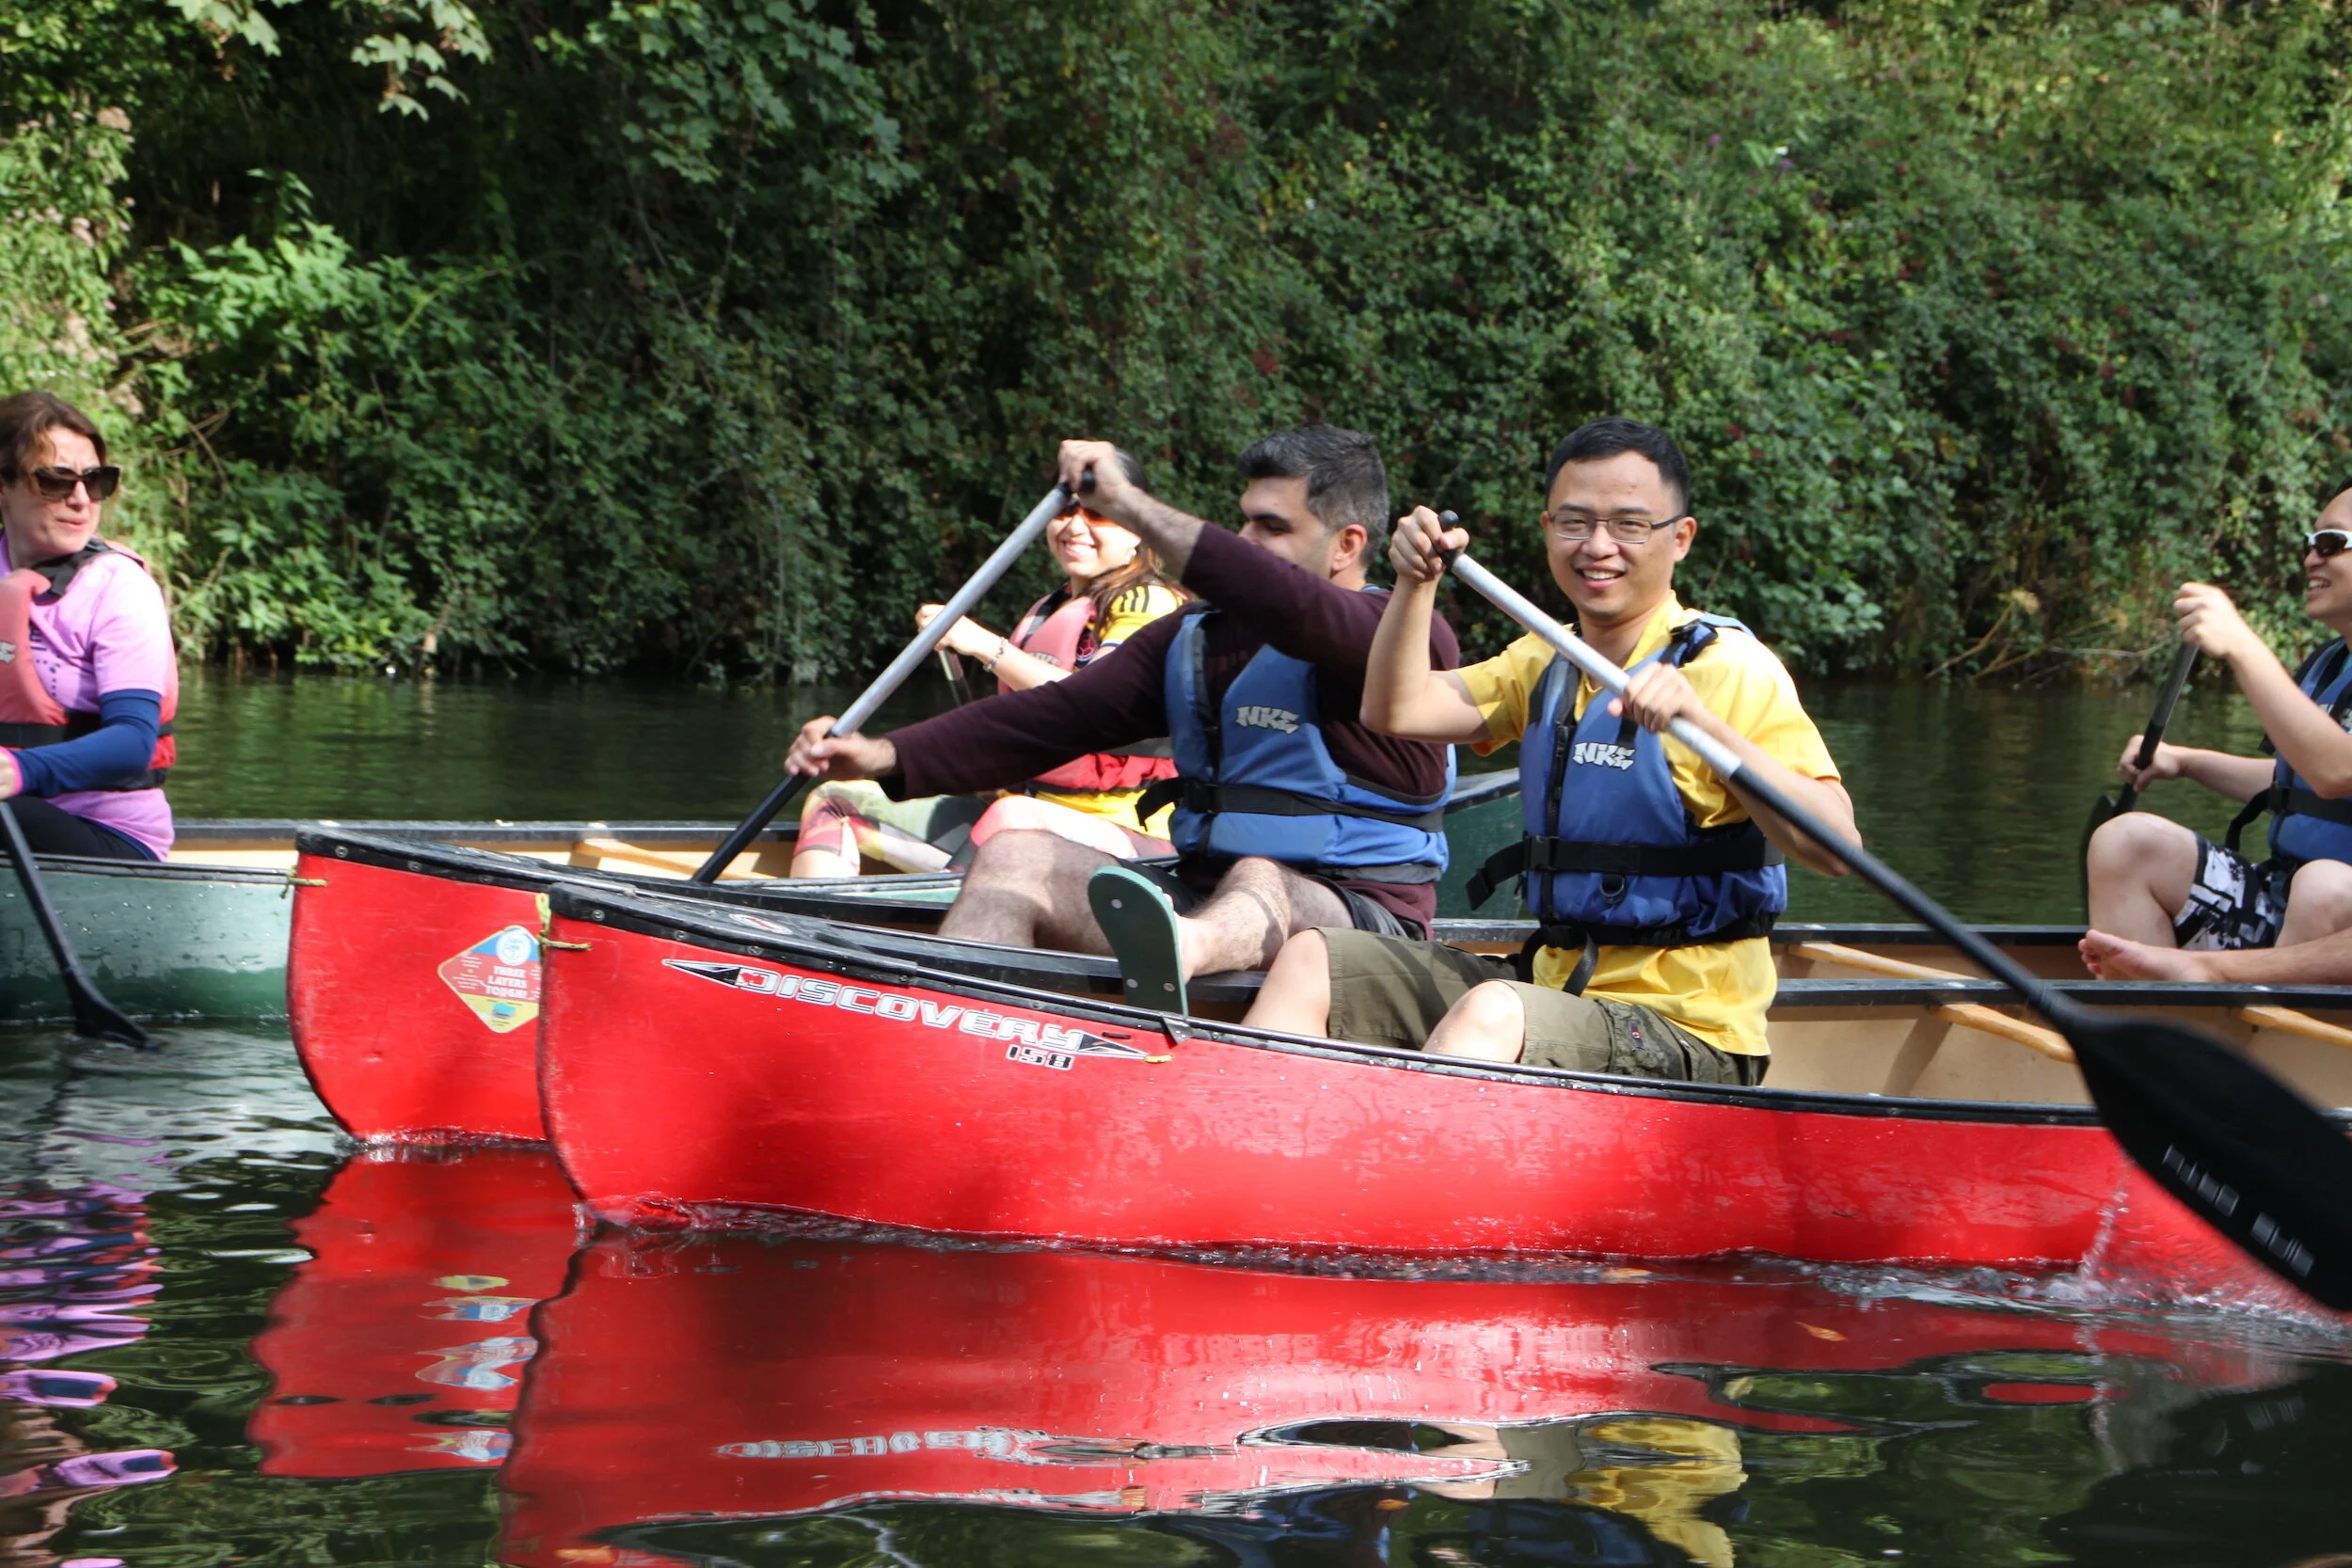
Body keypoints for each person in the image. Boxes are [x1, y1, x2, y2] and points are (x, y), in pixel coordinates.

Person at [1243, 417, 1855, 1083]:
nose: (1597, 546)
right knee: (1314, 960)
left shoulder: (1730, 668)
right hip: (1555, 984)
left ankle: (1392, 1167)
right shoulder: (1548, 659)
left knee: (1495, 1012)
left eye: (1629, 524)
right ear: (1546, 529)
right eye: (1574, 522)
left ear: (1680, 538)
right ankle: (1253, 1152)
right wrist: (1416, 584)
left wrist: (1705, 723)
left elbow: (1835, 845)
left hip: (1689, 1029)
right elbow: (1396, 708)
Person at [785, 425, 1459, 1008]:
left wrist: (1129, 506)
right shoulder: (1196, 635)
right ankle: (951, 1040)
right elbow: (1051, 718)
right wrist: (883, 756)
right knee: (1014, 856)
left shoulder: (1399, 637)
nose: (1246, 539)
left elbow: (1287, 603)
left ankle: (1180, 957)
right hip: (1196, 893)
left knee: (1263, 875)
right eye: (1245, 520)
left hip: (1362, 924)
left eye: (1272, 527)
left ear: (1347, 545)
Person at [789, 453, 1185, 878]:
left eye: (1097, 515)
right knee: (834, 800)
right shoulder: (1048, 608)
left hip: (1128, 834)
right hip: (1026, 809)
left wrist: (982, 644)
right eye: (1065, 511)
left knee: (1009, 820)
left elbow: (1094, 701)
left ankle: (951, 929)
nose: (1074, 526)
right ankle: (810, 933)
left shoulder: (1149, 603)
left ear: (1136, 531)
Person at [2081, 501, 2352, 978]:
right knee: (2125, 842)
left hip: (2332, 907)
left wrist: (2242, 645)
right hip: (2285, 896)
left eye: (2331, 543)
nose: (2312, 558)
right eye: (2310, 544)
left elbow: (2336, 774)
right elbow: (2296, 781)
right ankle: (2155, 1038)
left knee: (2322, 885)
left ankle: (2276, 1039)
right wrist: (2186, 761)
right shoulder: (2330, 663)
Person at [0, 392, 176, 861]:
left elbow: (133, 742)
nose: (80, 499)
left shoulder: (120, 589)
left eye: (95, 480)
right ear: (4, 486)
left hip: (108, 836)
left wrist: (19, 770)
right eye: (56, 482)